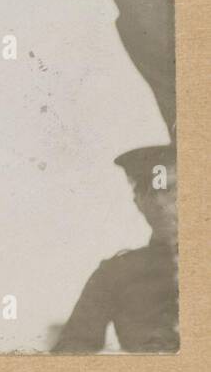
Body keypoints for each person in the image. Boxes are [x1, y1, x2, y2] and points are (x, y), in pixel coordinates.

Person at [53, 144, 178, 353]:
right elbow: (71, 350)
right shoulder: (117, 272)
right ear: (137, 202)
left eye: (170, 189)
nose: (159, 202)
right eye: (146, 191)